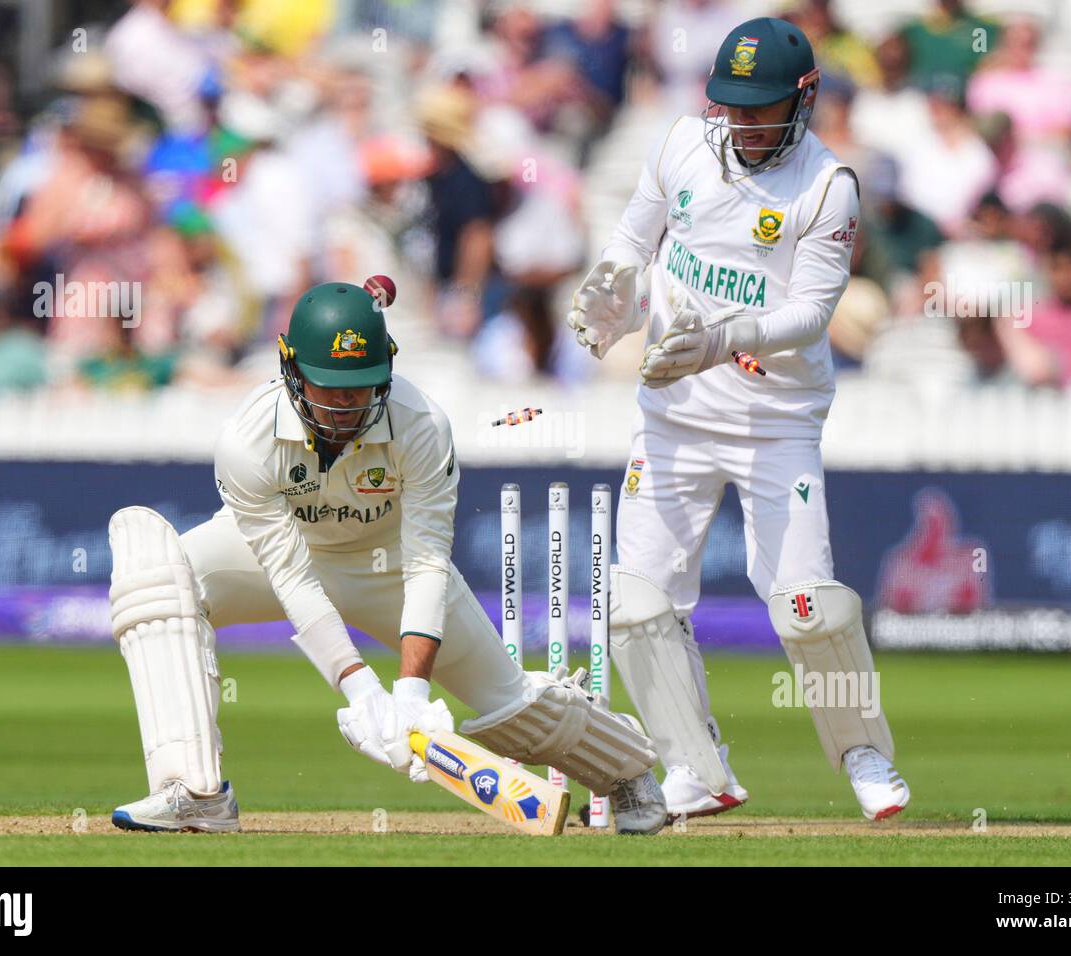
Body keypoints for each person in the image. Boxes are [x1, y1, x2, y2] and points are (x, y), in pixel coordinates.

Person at [107, 280, 667, 834]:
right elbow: (290, 575)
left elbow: (426, 561)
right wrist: (361, 688)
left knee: (508, 703)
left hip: (392, 564)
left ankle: (628, 773)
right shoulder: (247, 441)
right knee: (157, 578)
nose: (347, 405)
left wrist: (410, 693)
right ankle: (195, 793)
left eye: (362, 386)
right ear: (291, 369)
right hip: (274, 557)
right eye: (329, 387)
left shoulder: (421, 425)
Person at [565, 17, 910, 822]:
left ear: (805, 97)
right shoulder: (682, 143)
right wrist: (612, 294)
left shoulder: (827, 187)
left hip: (775, 420)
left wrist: (720, 341)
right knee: (638, 602)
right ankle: (697, 766)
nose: (745, 123)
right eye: (733, 105)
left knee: (806, 605)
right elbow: (630, 239)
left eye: (762, 108)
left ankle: (864, 753)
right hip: (672, 415)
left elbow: (812, 311)